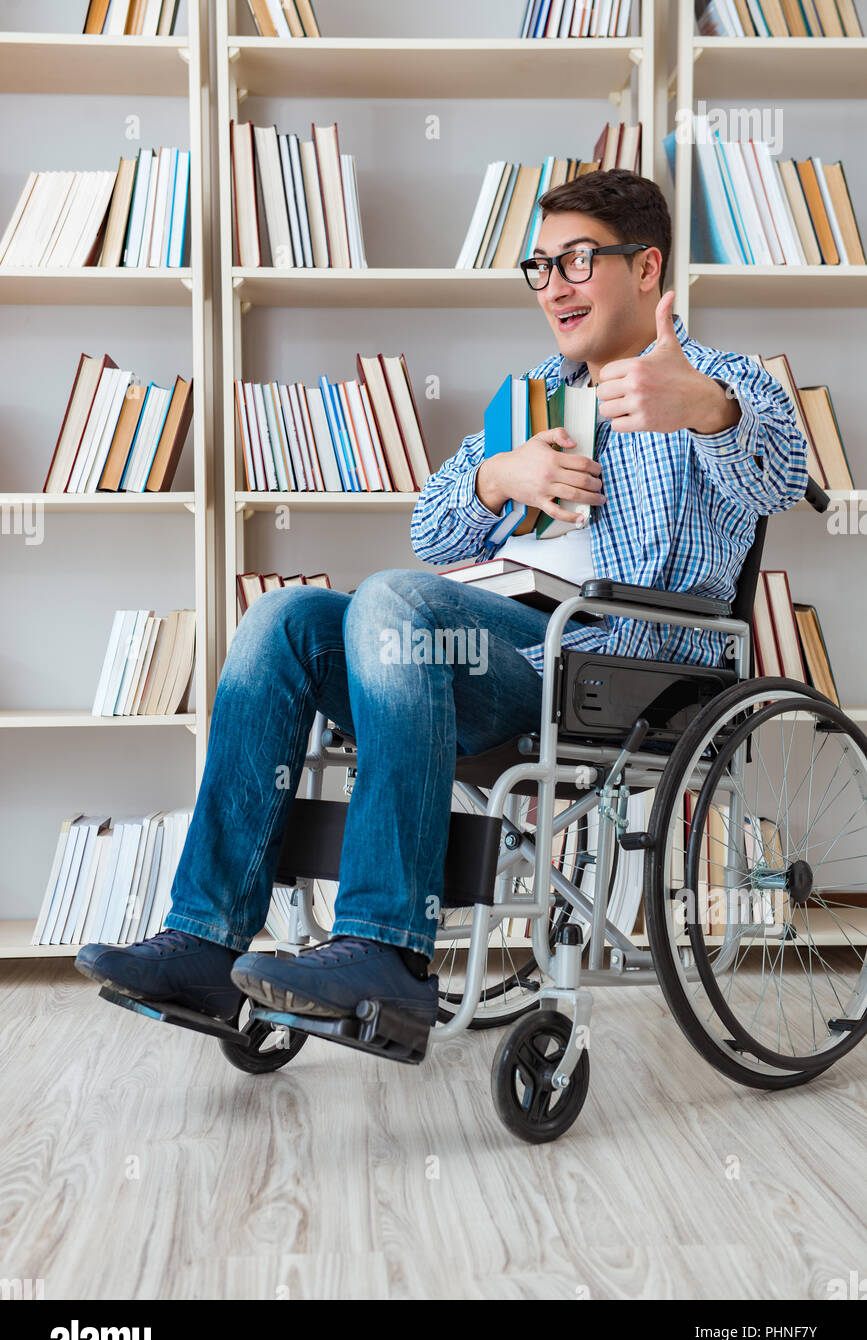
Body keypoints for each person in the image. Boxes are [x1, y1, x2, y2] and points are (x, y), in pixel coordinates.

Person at [75, 169, 807, 1034]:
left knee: (395, 600)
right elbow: (434, 529)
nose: (554, 287)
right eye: (539, 267)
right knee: (281, 619)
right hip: (479, 658)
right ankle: (203, 944)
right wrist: (499, 477)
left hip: (619, 664)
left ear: (645, 268)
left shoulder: (720, 379)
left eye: (576, 261)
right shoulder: (536, 395)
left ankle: (385, 948)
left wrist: (704, 408)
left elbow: (782, 473)